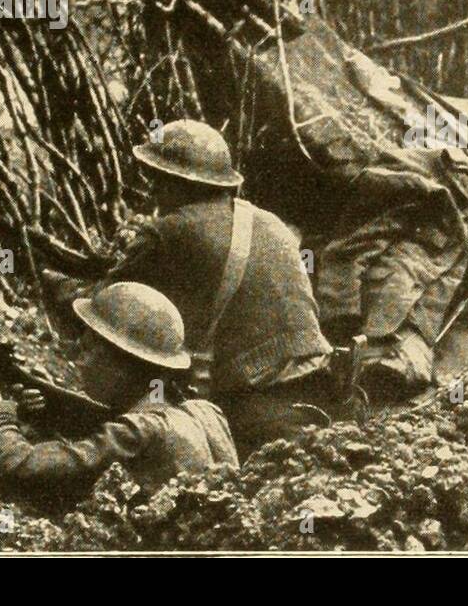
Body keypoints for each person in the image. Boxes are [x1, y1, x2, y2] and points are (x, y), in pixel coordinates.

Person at [110, 119, 336, 456]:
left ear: (179, 184)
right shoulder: (271, 222)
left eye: (158, 180)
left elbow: (109, 299)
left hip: (254, 409)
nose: (153, 191)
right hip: (324, 389)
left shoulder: (170, 231)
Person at [0, 282, 239, 506]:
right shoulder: (206, 412)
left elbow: (20, 465)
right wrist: (38, 413)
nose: (78, 359)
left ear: (123, 365)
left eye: (90, 350)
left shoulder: (139, 431)